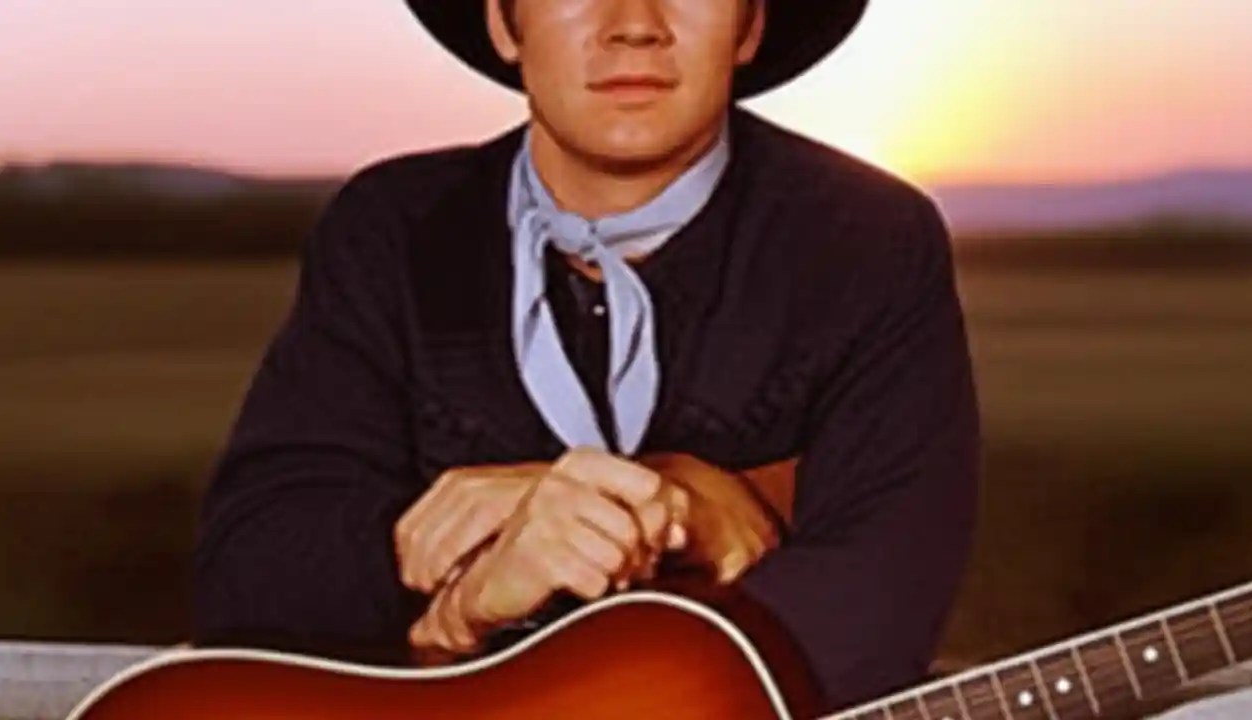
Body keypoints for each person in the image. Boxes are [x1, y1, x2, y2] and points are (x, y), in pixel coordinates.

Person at [191, 0, 982, 709]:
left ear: (750, 23)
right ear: (505, 23)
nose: (634, 24)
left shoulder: (870, 243)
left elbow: (880, 611)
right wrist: (476, 587)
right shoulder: (393, 229)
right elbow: (251, 575)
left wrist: (640, 519)